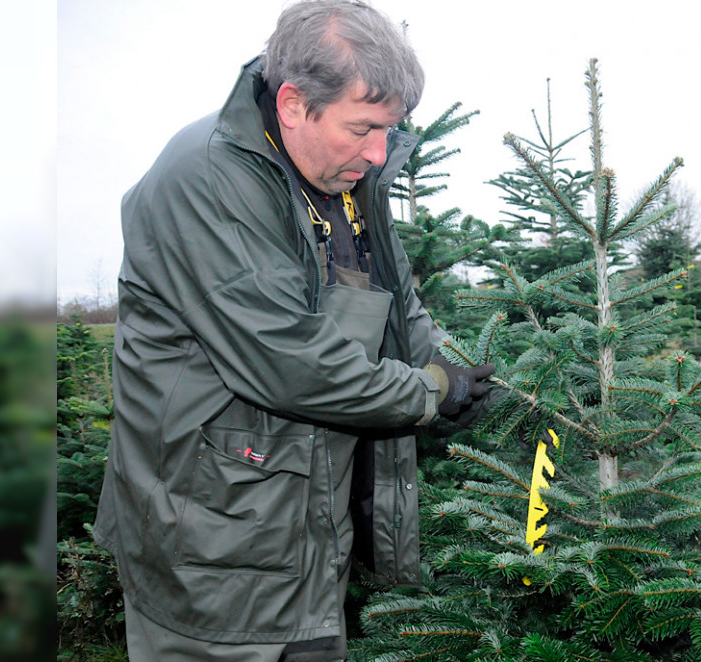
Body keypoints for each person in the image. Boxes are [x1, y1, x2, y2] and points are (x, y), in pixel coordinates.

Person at [93, 1, 494, 659]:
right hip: (210, 553)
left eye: (390, 129)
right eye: (364, 127)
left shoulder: (340, 180)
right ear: (292, 105)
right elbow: (288, 358)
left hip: (303, 540)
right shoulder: (209, 181)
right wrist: (428, 392)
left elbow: (397, 314)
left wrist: (483, 384)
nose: (379, 151)